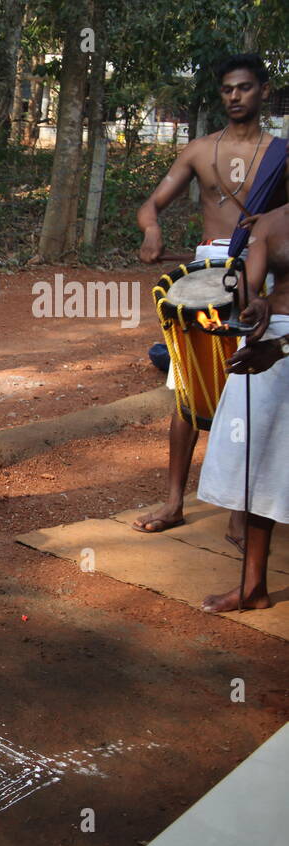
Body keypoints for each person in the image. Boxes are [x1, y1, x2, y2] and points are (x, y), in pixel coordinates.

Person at [134, 53, 287, 544]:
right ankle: (176, 500)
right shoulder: (199, 150)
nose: (235, 96)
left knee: (251, 395)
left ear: (263, 91)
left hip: (258, 282)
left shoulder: (282, 154)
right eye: (227, 89)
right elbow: (152, 204)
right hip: (204, 282)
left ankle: (243, 513)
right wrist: (152, 230)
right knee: (186, 390)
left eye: (244, 87)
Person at [197, 203, 289, 612]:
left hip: (280, 346)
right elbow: (252, 290)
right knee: (259, 461)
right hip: (273, 339)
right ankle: (254, 587)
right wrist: (256, 307)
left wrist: (282, 349)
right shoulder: (270, 223)